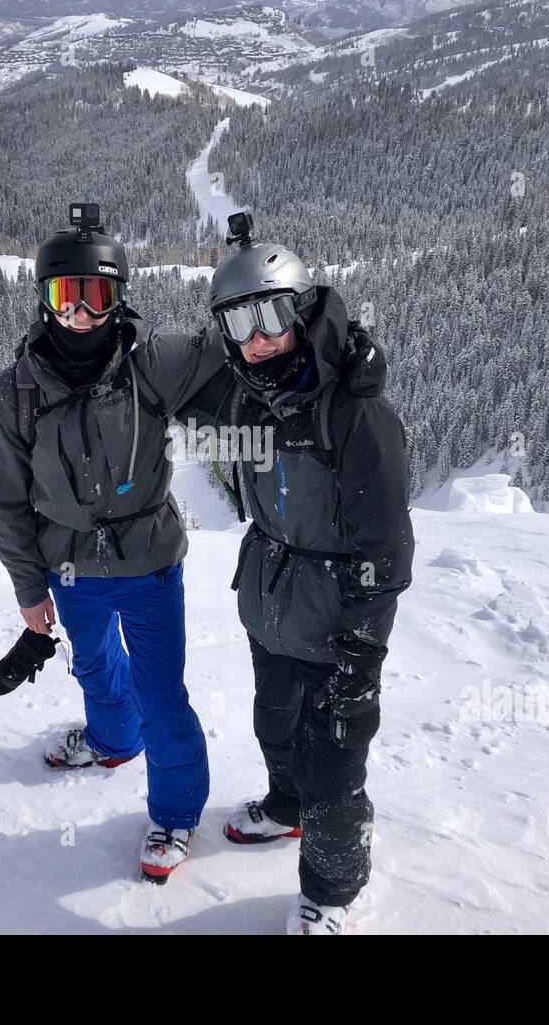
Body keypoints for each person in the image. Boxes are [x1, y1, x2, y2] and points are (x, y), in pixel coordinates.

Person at [178, 213, 414, 933]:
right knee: (275, 725)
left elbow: (386, 549)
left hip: (339, 617)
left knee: (336, 771)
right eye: (238, 323)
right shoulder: (250, 389)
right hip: (270, 600)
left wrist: (362, 654)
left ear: (302, 308)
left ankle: (331, 891)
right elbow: (172, 386)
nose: (257, 339)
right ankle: (285, 807)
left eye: (272, 315)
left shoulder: (355, 414)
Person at [0, 203, 226, 884]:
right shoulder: (15, 394)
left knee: (160, 692)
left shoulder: (150, 366)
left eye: (97, 297)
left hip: (149, 563)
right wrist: (31, 590)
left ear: (118, 299)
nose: (82, 314)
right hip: (68, 568)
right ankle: (112, 742)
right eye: (67, 296)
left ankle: (175, 814)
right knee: (92, 664)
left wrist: (310, 329)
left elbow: (230, 347)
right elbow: (5, 500)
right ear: (45, 299)